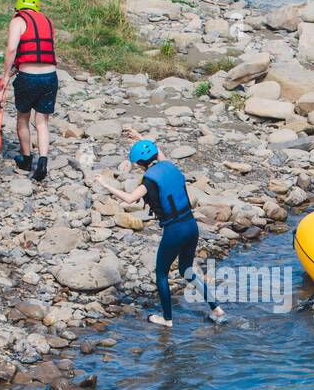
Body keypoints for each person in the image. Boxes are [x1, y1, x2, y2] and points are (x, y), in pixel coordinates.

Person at [96, 137, 225, 328]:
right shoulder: (169, 165)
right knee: (186, 270)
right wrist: (139, 135)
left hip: (175, 230)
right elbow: (159, 152)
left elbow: (130, 198)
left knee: (162, 275)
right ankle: (216, 308)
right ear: (155, 155)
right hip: (191, 225)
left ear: (140, 163)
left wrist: (105, 184)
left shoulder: (149, 182)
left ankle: (166, 319)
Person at [0, 0, 58, 182]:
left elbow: (12, 49)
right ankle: (42, 161)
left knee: (23, 119)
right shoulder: (47, 21)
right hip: (50, 76)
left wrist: (6, 74)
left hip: (28, 78)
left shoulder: (18, 20)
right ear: (37, 7)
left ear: (18, 7)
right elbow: (41, 50)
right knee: (42, 122)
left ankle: (26, 159)